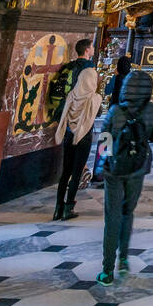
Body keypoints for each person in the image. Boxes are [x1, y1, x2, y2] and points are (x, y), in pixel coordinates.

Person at [96, 68, 153, 283]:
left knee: (112, 216)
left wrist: (101, 165)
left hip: (114, 168)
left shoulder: (116, 111)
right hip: (138, 167)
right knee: (128, 212)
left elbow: (104, 139)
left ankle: (107, 270)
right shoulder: (152, 110)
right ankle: (123, 259)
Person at [53, 60, 102, 221]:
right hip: (84, 137)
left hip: (68, 134)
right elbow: (99, 113)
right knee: (76, 172)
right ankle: (69, 208)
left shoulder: (72, 95)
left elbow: (60, 113)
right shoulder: (94, 98)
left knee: (65, 171)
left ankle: (58, 208)